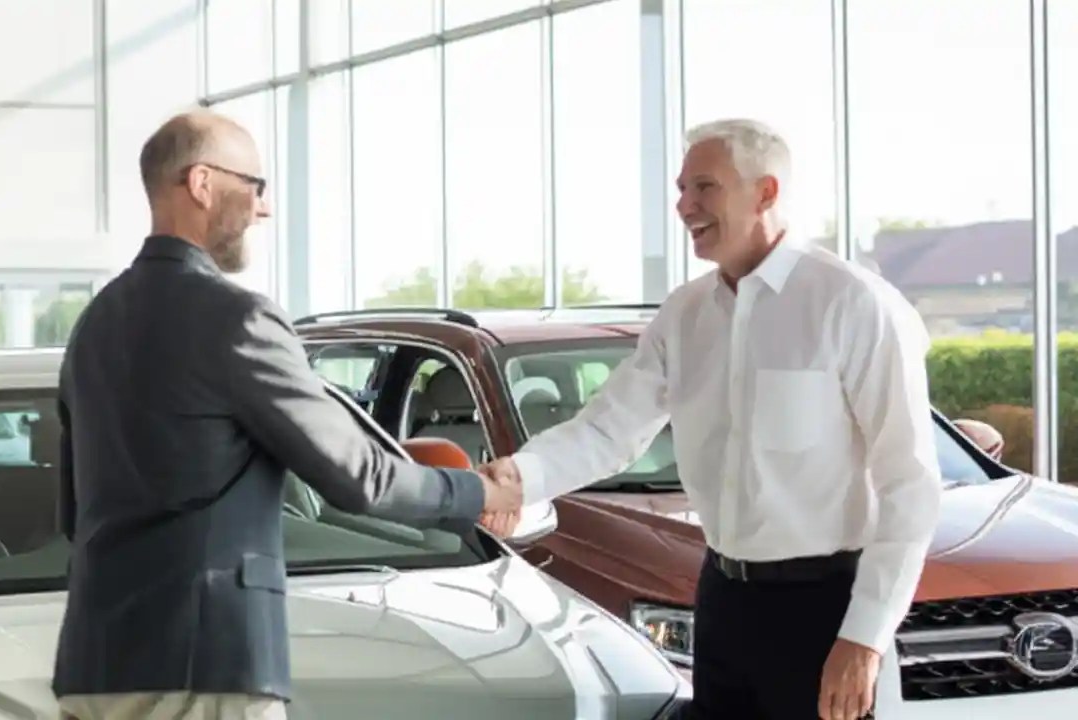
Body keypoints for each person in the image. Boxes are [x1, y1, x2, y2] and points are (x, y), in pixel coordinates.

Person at [52, 109, 522, 720]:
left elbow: (74, 512)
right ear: (201, 183)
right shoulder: (238, 319)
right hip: (206, 664)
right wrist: (476, 491)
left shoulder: (93, 326)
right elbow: (359, 477)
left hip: (95, 664)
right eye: (255, 186)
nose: (263, 208)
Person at [480, 118, 941, 720]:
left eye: (704, 187)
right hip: (722, 599)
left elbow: (909, 481)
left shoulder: (853, 303)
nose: (684, 206)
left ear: (765, 192)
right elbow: (607, 431)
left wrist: (865, 638)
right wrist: (514, 482)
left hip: (824, 607)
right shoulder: (685, 314)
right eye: (681, 189)